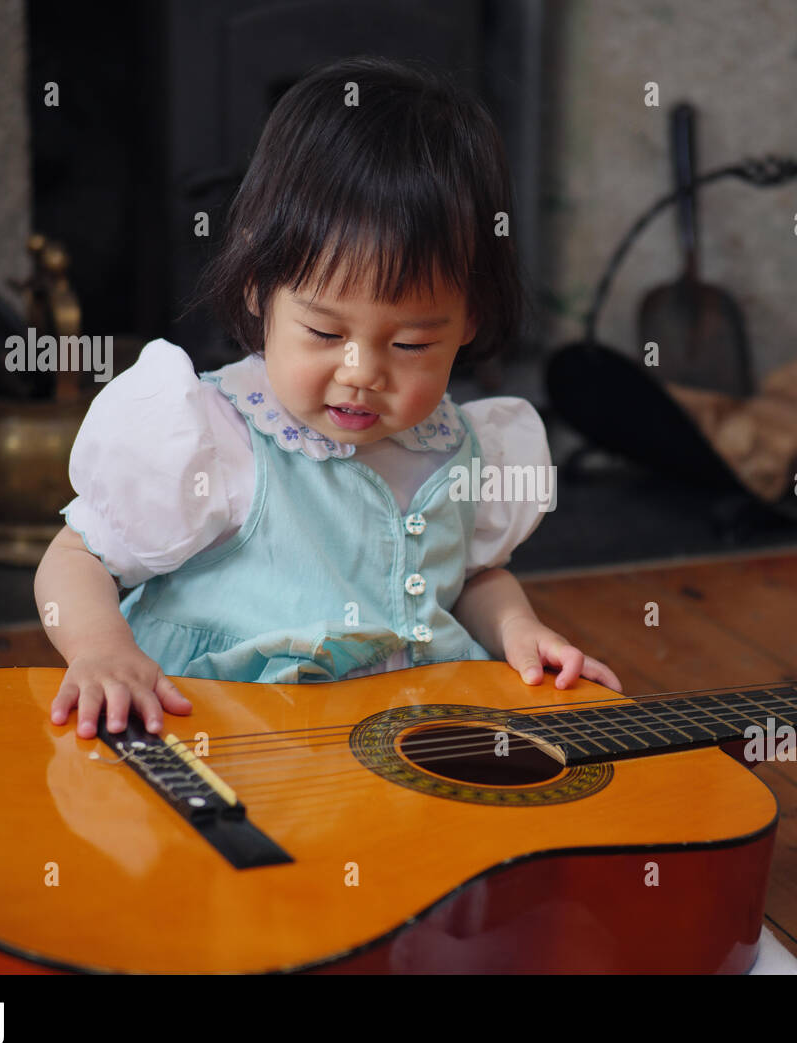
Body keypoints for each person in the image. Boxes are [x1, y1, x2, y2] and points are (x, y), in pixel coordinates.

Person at [34, 55, 622, 740]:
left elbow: (471, 576)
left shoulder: (461, 446)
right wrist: (103, 650)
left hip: (392, 753)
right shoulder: (214, 437)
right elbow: (74, 559)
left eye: (410, 345)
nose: (361, 371)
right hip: (221, 751)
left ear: (468, 323)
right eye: (324, 330)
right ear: (258, 287)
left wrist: (519, 627)